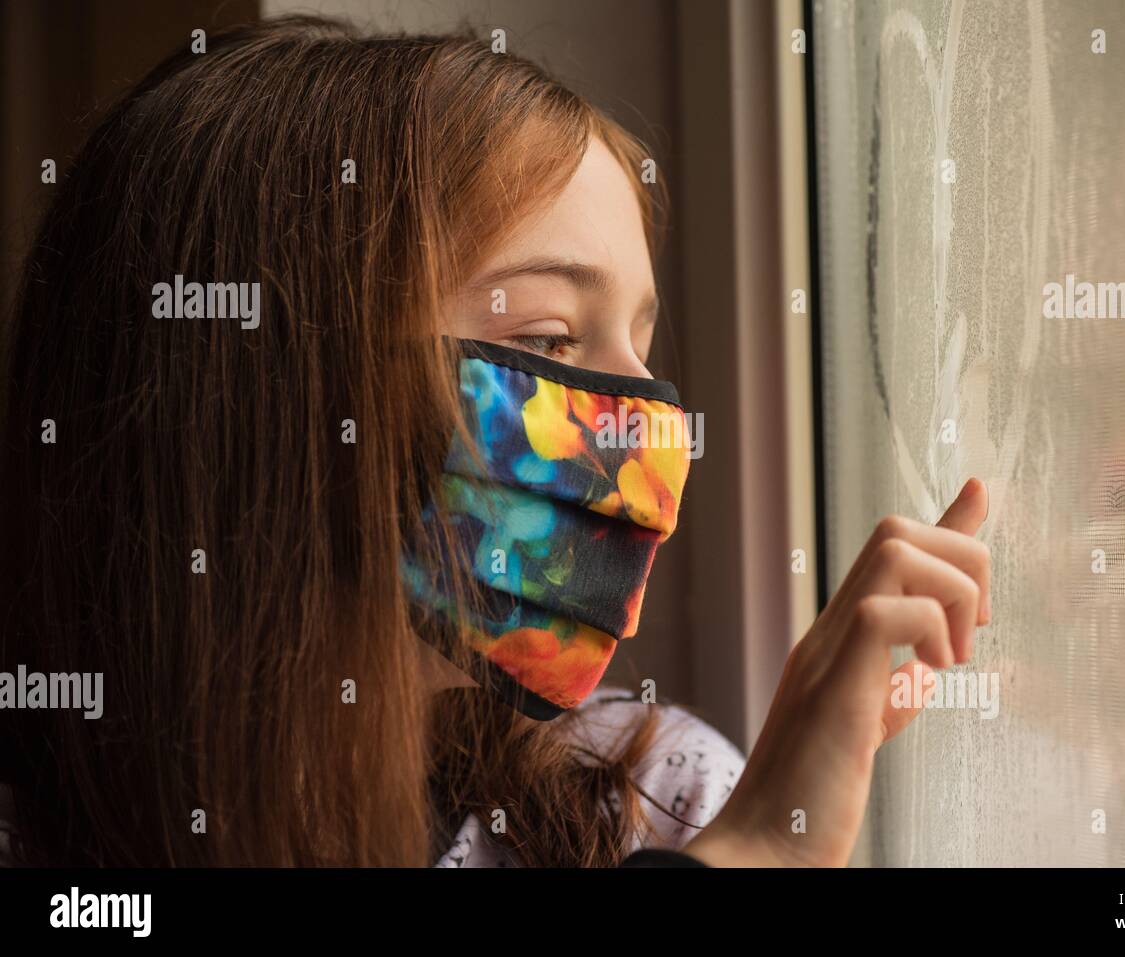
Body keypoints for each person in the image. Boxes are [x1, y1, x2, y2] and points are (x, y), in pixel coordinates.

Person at [0, 16, 991, 868]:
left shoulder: (654, 794)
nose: (647, 419)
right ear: (266, 399)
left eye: (640, 345)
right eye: (550, 339)